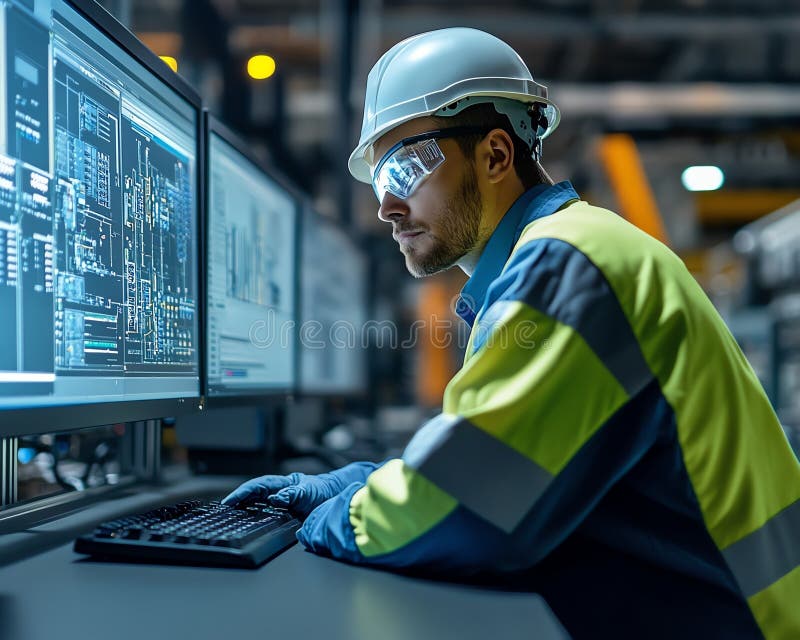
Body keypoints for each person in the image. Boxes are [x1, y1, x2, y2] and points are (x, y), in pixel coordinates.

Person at [224, 28, 800, 638]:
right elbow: (506, 463)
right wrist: (361, 481)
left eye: (405, 168)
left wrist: (326, 520)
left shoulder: (569, 260)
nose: (386, 206)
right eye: (379, 181)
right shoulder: (564, 254)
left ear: (497, 155)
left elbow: (469, 512)